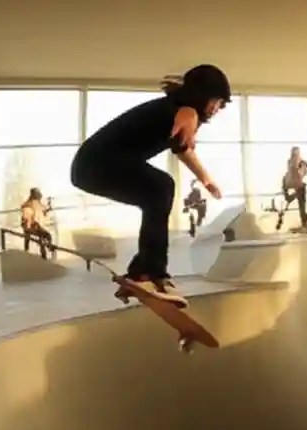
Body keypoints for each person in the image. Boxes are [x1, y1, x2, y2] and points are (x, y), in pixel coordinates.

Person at [70, 64, 230, 307]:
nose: (218, 109)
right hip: (96, 163)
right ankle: (152, 273)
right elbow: (186, 116)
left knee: (155, 192)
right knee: (161, 188)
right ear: (202, 95)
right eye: (217, 102)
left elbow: (182, 148)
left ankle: (140, 272)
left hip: (89, 166)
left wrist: (206, 179)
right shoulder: (186, 111)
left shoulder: (172, 109)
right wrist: (190, 114)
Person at [281, 146, 307, 230]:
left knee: (301, 202)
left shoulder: (289, 161)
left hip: (291, 184)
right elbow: (302, 173)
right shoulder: (300, 161)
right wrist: (305, 167)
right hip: (299, 184)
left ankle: (304, 221)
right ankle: (304, 222)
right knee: (302, 204)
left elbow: (290, 173)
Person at [19, 188, 55, 257]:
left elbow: (44, 210)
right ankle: (48, 249)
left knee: (35, 239)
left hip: (31, 227)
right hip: (32, 227)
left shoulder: (32, 203)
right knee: (47, 236)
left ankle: (43, 252)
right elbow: (29, 215)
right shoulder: (31, 204)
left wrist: (48, 206)